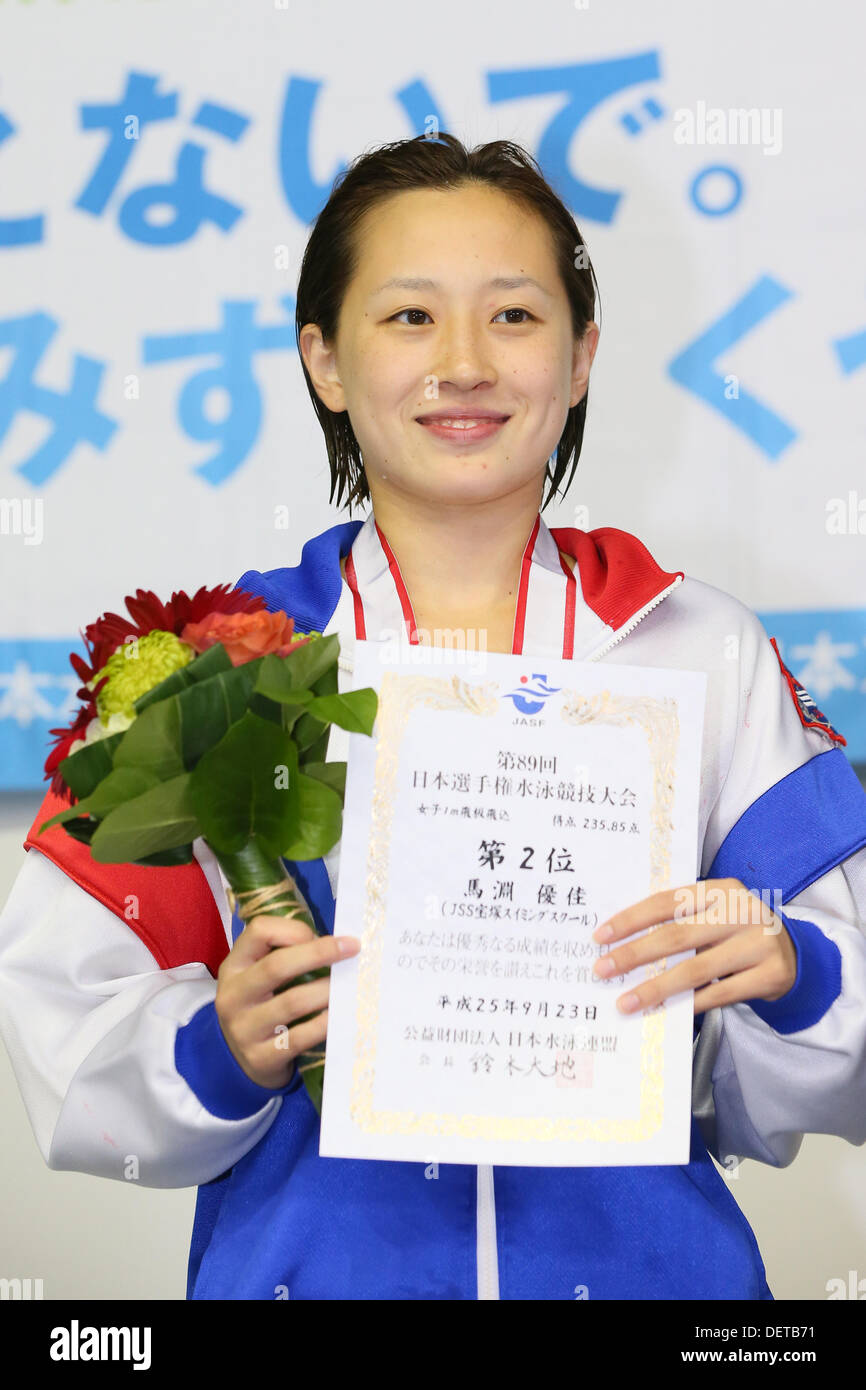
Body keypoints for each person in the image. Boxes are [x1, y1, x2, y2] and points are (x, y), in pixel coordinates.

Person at [2, 133, 866, 1301]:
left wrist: (782, 968)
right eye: (408, 317)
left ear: (579, 361)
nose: (462, 364)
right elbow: (71, 1019)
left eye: (513, 316)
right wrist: (221, 1043)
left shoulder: (697, 646)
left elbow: (833, 1033)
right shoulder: (213, 672)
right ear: (324, 360)